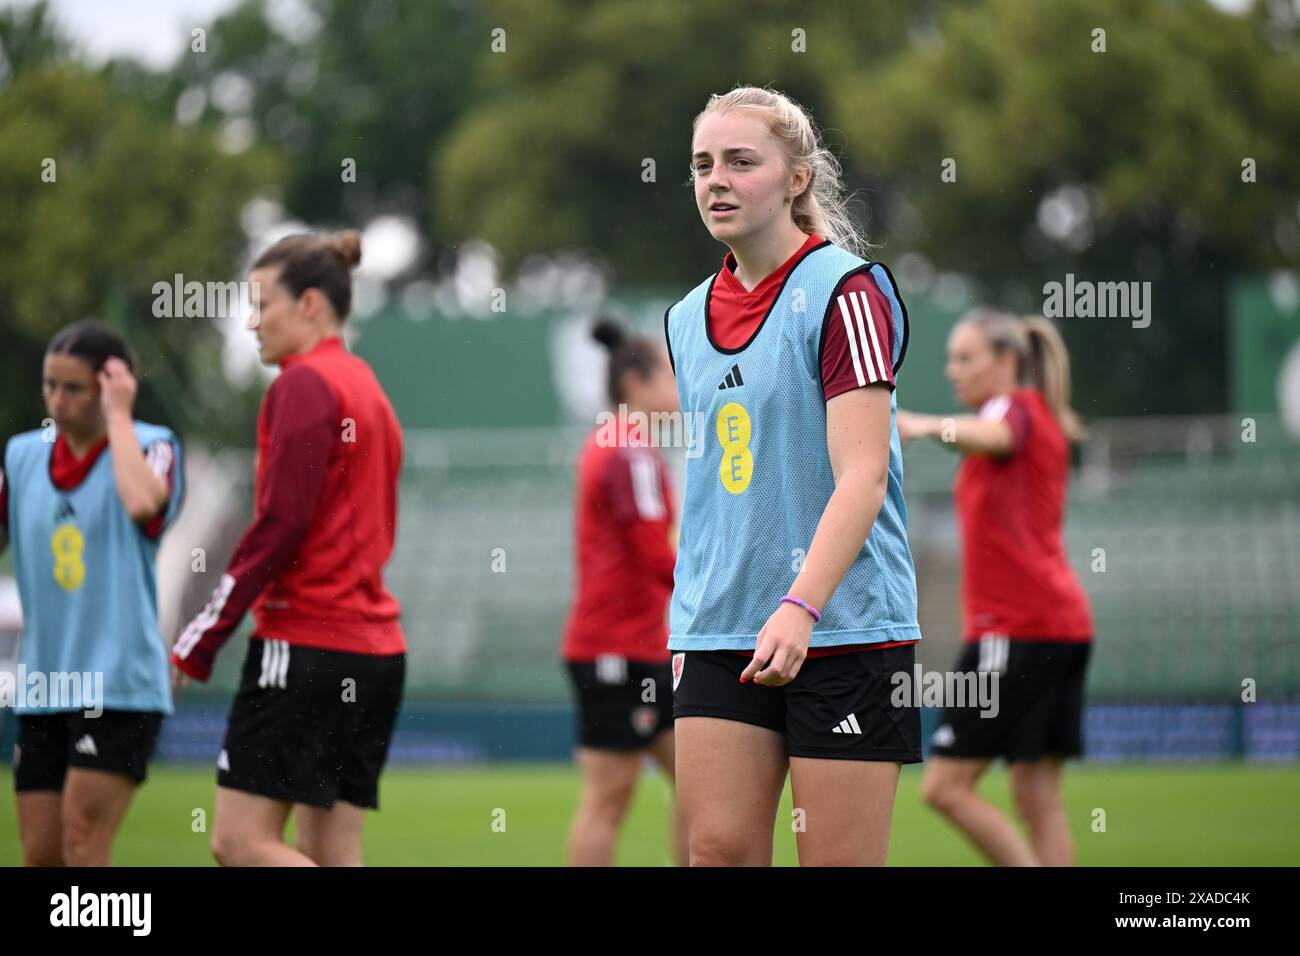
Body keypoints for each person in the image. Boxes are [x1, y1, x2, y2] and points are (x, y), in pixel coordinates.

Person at [665, 86, 922, 867]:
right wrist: (688, 617)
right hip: (718, 631)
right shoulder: (683, 317)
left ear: (797, 179)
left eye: (743, 162)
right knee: (717, 853)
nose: (717, 180)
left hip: (840, 628)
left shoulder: (845, 294)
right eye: (703, 164)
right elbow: (717, 484)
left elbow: (863, 477)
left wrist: (800, 606)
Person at [171, 230, 406, 867]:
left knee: (239, 841)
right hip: (375, 653)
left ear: (308, 305)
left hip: (308, 646)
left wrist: (199, 639)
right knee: (332, 852)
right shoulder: (368, 389)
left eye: (261, 303)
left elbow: (279, 526)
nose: (251, 322)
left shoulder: (303, 386)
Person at [897, 307, 1093, 866]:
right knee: (1038, 798)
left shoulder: (1013, 409)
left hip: (1015, 630)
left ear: (1007, 361)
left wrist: (926, 425)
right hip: (1061, 626)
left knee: (944, 788)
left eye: (965, 357)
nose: (953, 370)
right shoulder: (1037, 416)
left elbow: (996, 434)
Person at [1, 320, 182, 866]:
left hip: (119, 686)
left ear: (109, 385)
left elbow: (141, 503)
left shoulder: (152, 447)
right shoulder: (22, 456)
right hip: (45, 685)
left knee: (83, 839)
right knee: (42, 856)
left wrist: (120, 416)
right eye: (49, 385)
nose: (57, 400)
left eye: (73, 387)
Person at [562, 318, 685, 866]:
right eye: (671, 378)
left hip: (638, 647)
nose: (680, 392)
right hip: (620, 652)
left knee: (700, 782)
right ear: (637, 384)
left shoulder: (617, 444)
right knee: (609, 799)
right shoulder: (628, 451)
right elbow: (655, 556)